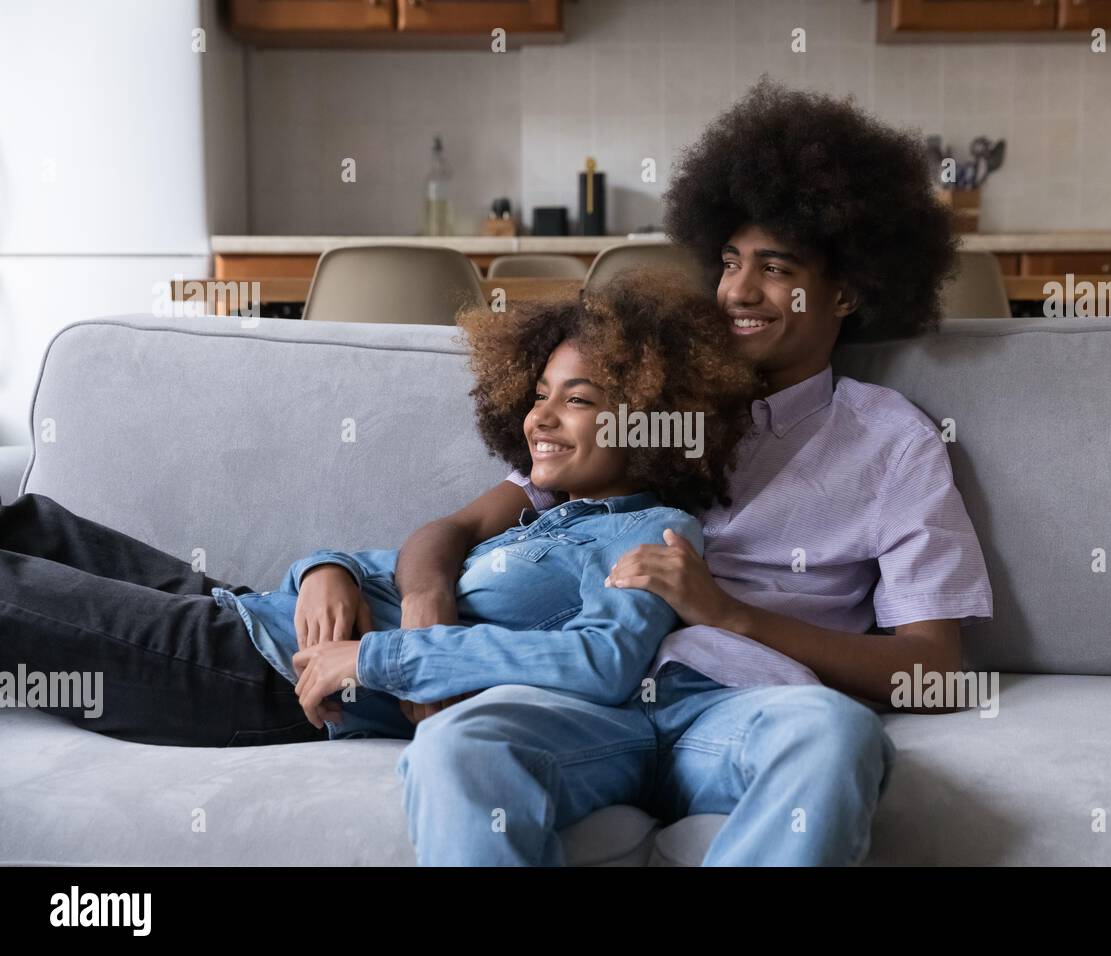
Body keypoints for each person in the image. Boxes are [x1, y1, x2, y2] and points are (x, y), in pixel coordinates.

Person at [391, 75, 994, 865]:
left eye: (777, 269)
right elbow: (458, 528)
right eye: (730, 261)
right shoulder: (648, 392)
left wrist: (730, 615)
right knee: (453, 749)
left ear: (845, 292)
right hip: (587, 703)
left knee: (834, 735)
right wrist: (426, 600)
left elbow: (936, 672)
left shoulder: (893, 441)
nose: (738, 290)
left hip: (743, 711)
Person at [0, 271, 757, 750]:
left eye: (579, 400)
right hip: (250, 609)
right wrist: (324, 567)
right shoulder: (538, 511)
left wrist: (382, 657)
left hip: (258, 677)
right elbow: (402, 567)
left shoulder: (651, 535)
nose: (542, 418)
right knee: (33, 521)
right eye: (538, 396)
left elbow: (603, 660)